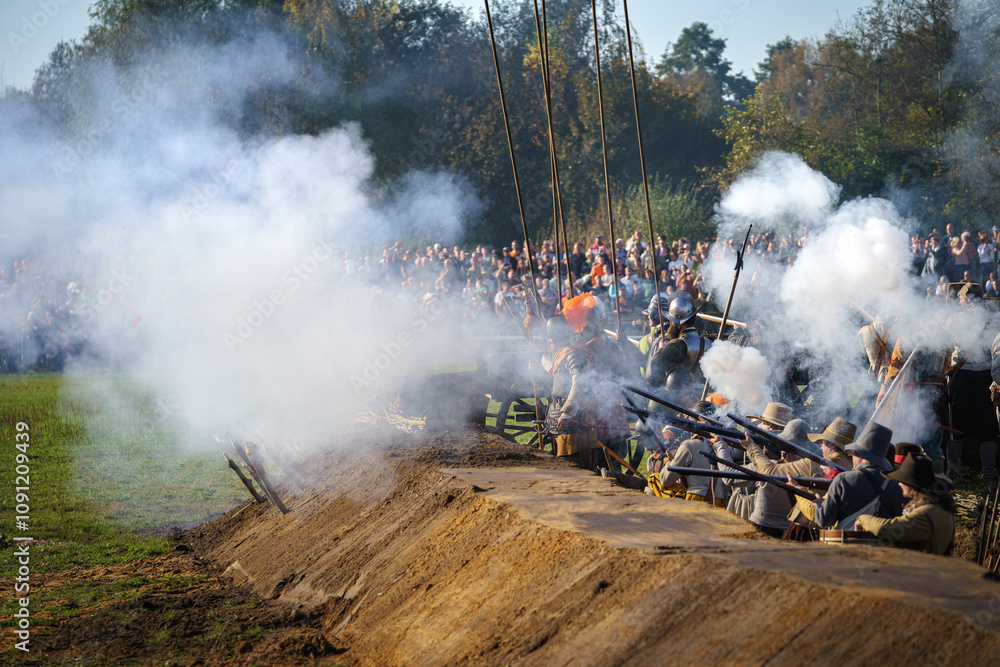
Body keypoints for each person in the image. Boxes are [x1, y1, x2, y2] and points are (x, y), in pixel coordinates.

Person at [791, 422, 903, 529]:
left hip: (849, 544)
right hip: (884, 546)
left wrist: (819, 503)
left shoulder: (843, 479)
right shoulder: (897, 484)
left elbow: (823, 520)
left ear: (859, 454)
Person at [855, 454, 955, 555]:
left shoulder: (925, 514)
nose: (899, 483)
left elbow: (888, 528)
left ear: (911, 484)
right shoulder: (939, 508)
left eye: (902, 480)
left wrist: (862, 518)